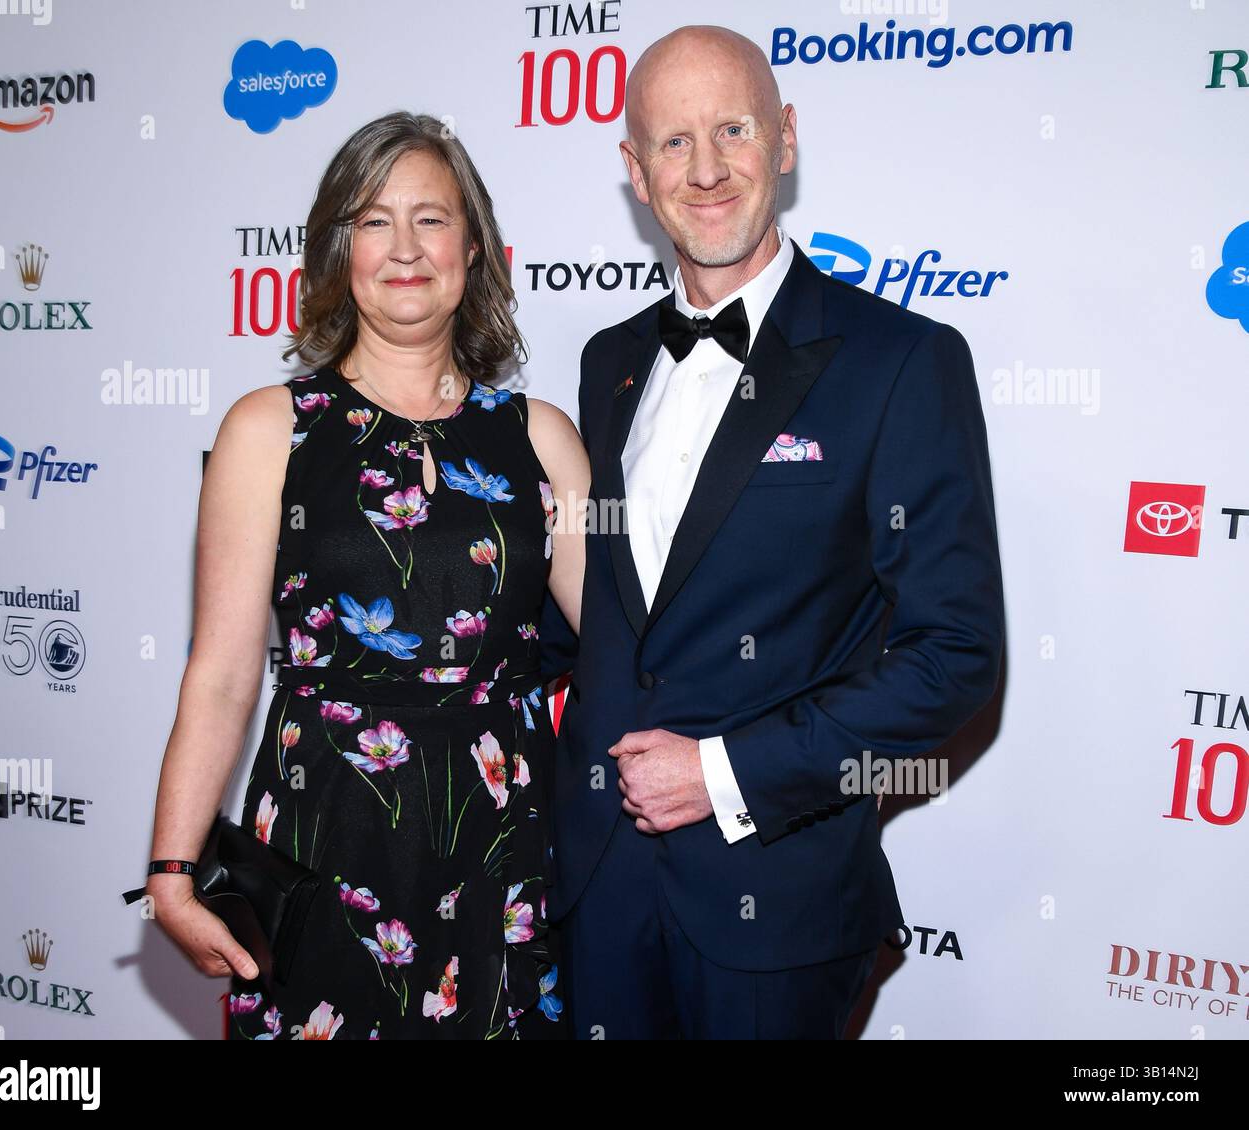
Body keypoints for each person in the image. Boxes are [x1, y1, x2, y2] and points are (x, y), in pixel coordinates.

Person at [536, 25, 1005, 1040]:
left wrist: (721, 773)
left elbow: (956, 654)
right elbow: (616, 620)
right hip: (599, 889)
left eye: (733, 130)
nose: (704, 169)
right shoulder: (606, 362)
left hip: (776, 906)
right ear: (633, 169)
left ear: (784, 140)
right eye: (671, 141)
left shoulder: (898, 361)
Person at [140, 111, 588, 1040]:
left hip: (499, 840)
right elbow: (223, 673)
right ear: (336, 250)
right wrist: (174, 868)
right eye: (374, 220)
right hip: (324, 829)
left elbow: (630, 648)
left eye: (432, 218)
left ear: (475, 247)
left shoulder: (539, 438)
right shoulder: (271, 430)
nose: (405, 247)